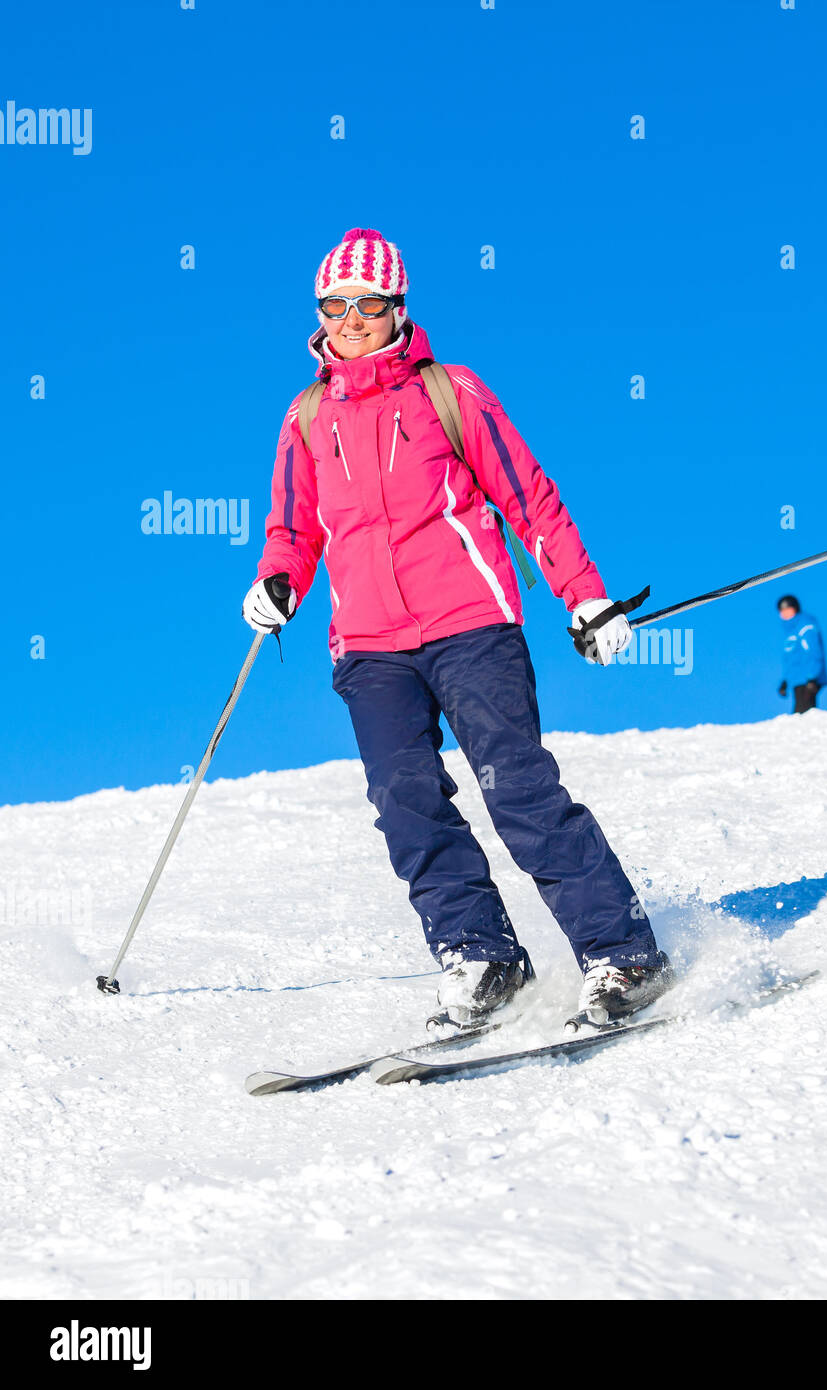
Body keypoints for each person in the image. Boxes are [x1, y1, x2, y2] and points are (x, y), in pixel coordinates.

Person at [242, 228, 670, 1030]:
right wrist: (277, 580)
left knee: (518, 788)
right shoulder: (304, 417)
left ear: (397, 306)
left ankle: (625, 955)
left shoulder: (449, 391)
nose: (351, 319)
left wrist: (583, 595)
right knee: (405, 802)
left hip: (469, 622)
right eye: (335, 305)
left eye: (367, 304)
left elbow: (528, 497)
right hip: (368, 645)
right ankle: (483, 957)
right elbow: (293, 530)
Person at [776, 594, 827, 714]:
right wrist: (785, 681)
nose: (785, 614)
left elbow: (813, 651)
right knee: (799, 714)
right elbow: (790, 660)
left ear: (795, 608)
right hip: (796, 679)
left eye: (788, 609)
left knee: (803, 715)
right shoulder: (790, 632)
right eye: (782, 611)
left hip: (807, 678)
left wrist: (812, 677)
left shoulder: (805, 625)